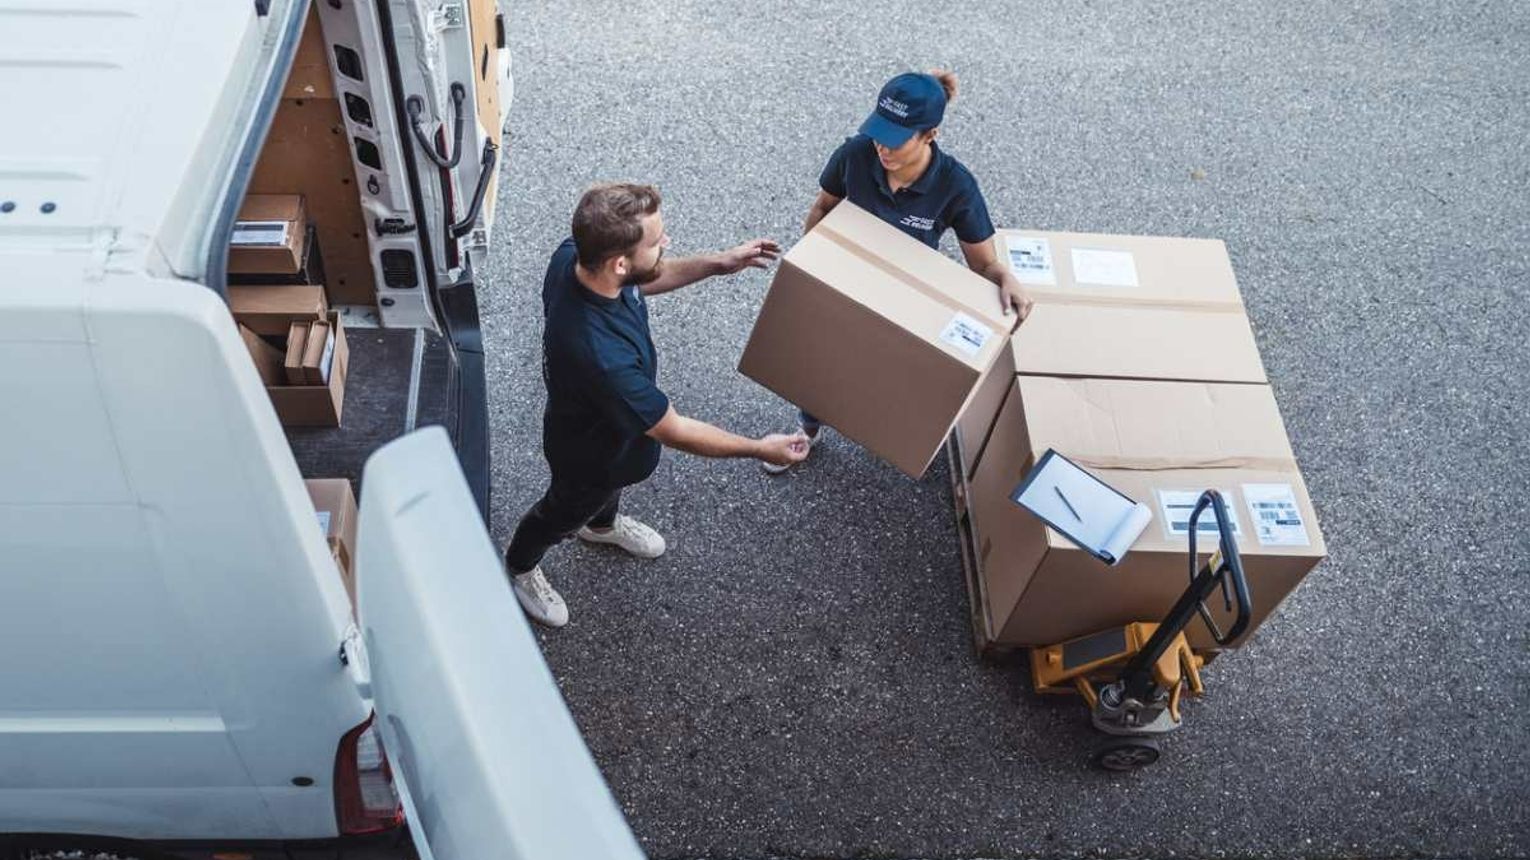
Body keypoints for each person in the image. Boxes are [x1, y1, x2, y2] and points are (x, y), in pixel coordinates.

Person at [506, 182, 809, 627]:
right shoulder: (603, 360)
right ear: (621, 262)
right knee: (561, 510)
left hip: (618, 435)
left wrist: (717, 263)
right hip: (589, 454)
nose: (666, 243)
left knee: (607, 492)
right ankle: (521, 567)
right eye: (656, 241)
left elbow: (646, 279)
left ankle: (601, 527)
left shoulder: (576, 258)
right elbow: (674, 429)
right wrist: (761, 448)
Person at [764, 69, 1034, 474]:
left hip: (906, 294)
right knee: (822, 361)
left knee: (886, 370)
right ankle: (808, 428)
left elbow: (983, 263)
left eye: (897, 138)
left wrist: (1006, 279)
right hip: (847, 280)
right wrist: (811, 265)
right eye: (879, 131)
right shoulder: (855, 154)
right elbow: (823, 207)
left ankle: (889, 432)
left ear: (930, 135)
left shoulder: (956, 186)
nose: (882, 147)